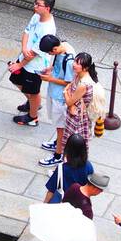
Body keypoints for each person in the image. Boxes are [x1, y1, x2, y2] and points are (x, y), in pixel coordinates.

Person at [10, 0, 56, 127]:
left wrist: (19, 64)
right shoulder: (36, 16)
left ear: (47, 8)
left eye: (38, 5)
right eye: (35, 3)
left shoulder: (48, 29)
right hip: (24, 57)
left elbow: (35, 52)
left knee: (33, 92)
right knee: (16, 80)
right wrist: (24, 48)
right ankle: (33, 103)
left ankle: (33, 117)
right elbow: (26, 31)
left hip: (35, 65)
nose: (35, 6)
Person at [38, 37, 74, 167]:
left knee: (60, 128)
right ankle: (58, 143)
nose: (49, 55)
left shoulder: (69, 61)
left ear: (55, 49)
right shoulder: (63, 47)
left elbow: (69, 82)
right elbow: (57, 66)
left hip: (61, 97)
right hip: (55, 93)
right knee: (58, 125)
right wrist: (50, 70)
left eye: (49, 53)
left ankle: (58, 155)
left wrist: (50, 79)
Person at [43, 134, 93, 204]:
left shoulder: (62, 169)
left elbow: (51, 191)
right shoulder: (89, 166)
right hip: (78, 204)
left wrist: (44, 205)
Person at [63, 52, 99, 149]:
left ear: (85, 68)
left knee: (74, 145)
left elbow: (69, 101)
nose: (74, 64)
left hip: (78, 118)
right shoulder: (78, 75)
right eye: (75, 61)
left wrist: (65, 92)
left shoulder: (83, 84)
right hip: (75, 114)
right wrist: (70, 98)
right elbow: (70, 88)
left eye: (78, 64)